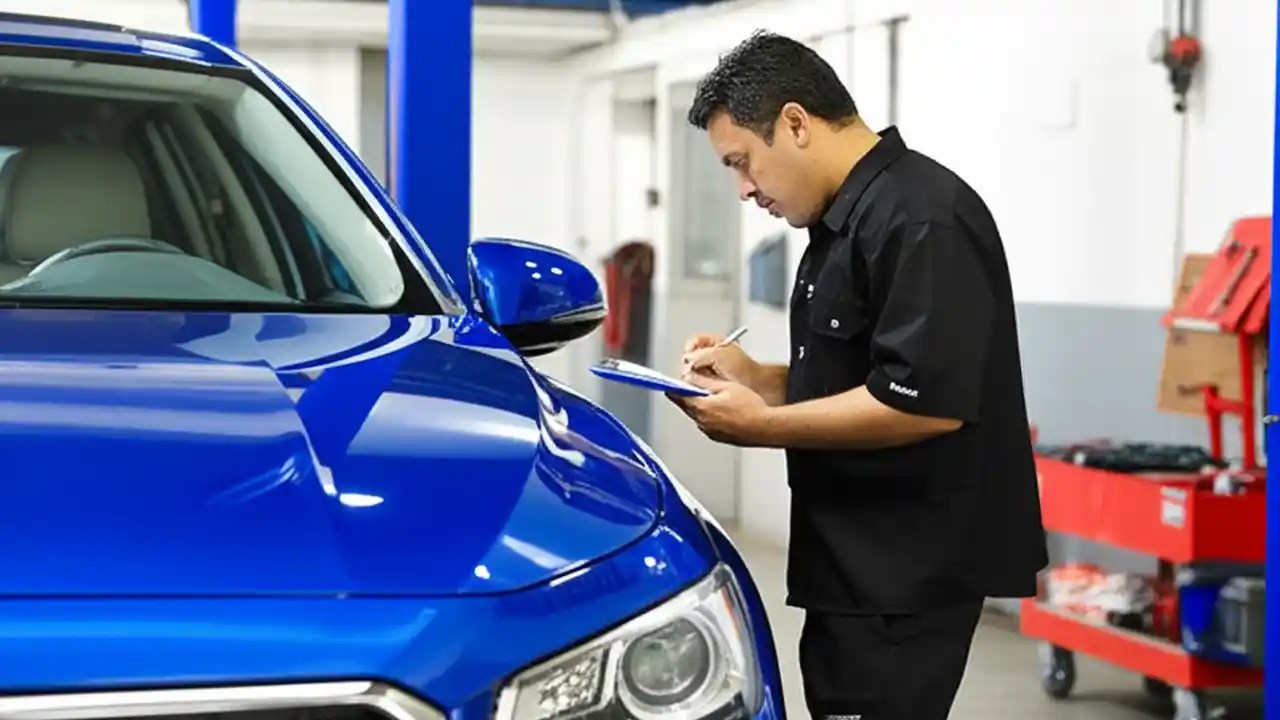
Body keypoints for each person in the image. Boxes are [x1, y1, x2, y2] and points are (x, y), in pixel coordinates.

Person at [668, 30, 1049, 720]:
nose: (744, 189)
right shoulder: (843, 224)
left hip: (903, 578)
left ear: (794, 123)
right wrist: (757, 378)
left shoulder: (921, 217)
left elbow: (924, 402)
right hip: (853, 565)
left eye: (743, 162)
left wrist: (763, 428)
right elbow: (857, 374)